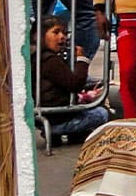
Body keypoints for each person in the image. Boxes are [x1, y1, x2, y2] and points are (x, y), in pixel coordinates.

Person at [33, 15, 111, 147]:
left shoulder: (38, 58)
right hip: (56, 117)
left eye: (64, 33)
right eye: (56, 32)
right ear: (39, 36)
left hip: (48, 115)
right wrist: (81, 60)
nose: (62, 37)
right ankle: (61, 131)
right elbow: (74, 84)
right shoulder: (50, 61)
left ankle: (70, 133)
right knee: (101, 113)